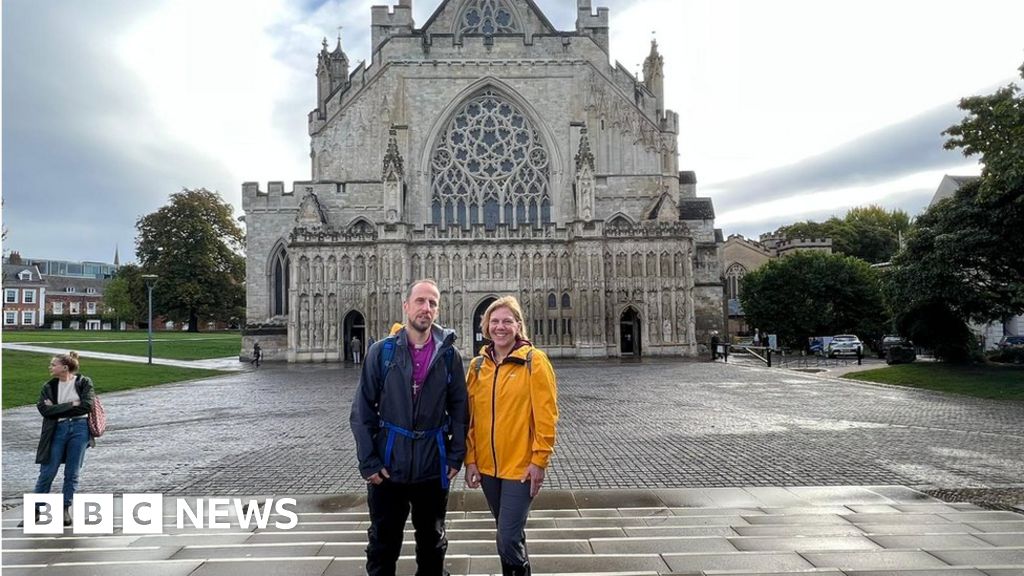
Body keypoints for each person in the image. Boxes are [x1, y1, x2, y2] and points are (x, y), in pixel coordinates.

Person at [349, 279, 468, 576]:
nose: (426, 308)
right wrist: (369, 461)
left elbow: (459, 409)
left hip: (432, 466)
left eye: (432, 303)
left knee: (432, 545)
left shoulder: (449, 355)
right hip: (389, 467)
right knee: (382, 545)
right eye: (420, 301)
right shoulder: (381, 352)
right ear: (406, 306)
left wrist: (455, 456)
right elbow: (362, 410)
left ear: (437, 310)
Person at [464, 296, 559, 576]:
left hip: (520, 468)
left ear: (518, 325)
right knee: (510, 533)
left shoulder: (534, 361)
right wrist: (471, 459)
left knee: (506, 537)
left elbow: (546, 416)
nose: (500, 327)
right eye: (494, 321)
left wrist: (539, 460)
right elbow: (470, 419)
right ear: (486, 326)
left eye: (507, 321)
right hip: (488, 468)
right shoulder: (477, 366)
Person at [32, 352, 95, 527]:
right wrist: (71, 404)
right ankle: (35, 509)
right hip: (56, 430)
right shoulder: (49, 386)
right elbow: (44, 410)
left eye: (54, 364)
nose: (50, 367)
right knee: (47, 471)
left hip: (80, 429)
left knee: (72, 473)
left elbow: (86, 406)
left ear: (65, 367)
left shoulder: (84, 382)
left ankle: (65, 509)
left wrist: (58, 408)